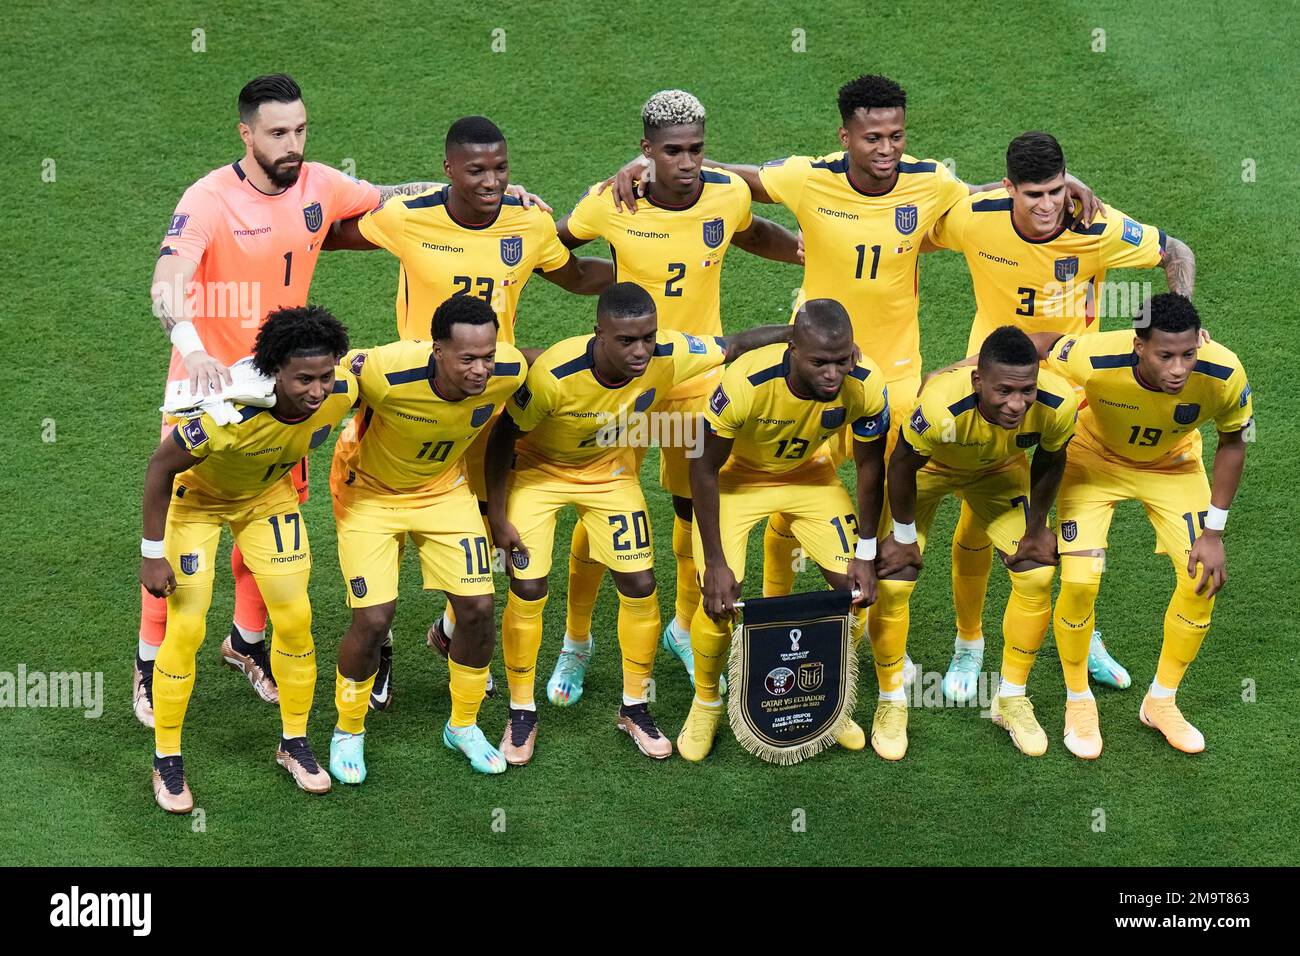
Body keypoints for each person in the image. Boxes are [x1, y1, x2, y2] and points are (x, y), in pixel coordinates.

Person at [925, 130, 1196, 702]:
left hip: (1071, 397)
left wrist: (1188, 311)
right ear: (1008, 190)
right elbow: (920, 223)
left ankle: (1083, 634)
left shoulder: (1096, 226)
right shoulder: (977, 216)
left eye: (1054, 190)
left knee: (1076, 532)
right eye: (1033, 195)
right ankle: (968, 644)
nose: (1048, 206)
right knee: (979, 517)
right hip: (994, 391)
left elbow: (1177, 252)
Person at [547, 89, 801, 699]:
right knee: (597, 508)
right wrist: (603, 282)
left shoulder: (727, 193)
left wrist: (809, 250)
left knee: (693, 514)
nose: (687, 163)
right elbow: (553, 248)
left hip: (697, 380)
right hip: (624, 382)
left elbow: (751, 231)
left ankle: (684, 630)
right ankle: (576, 642)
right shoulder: (610, 204)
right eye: (672, 152)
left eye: (696, 150)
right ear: (646, 152)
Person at [484, 282, 793, 764]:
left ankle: (635, 706)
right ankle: (521, 711)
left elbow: (732, 345)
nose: (640, 350)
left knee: (641, 582)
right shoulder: (553, 376)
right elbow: (503, 436)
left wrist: (798, 334)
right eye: (626, 340)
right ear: (598, 334)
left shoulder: (669, 352)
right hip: (539, 472)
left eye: (647, 337)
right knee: (527, 587)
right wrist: (498, 515)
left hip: (607, 473)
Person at [139, 305, 355, 812]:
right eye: (304, 379)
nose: (318, 391)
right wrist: (152, 556)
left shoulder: (343, 389)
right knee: (187, 626)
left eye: (325, 377)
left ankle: (295, 743)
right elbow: (159, 469)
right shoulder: (226, 413)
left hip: (267, 499)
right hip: (196, 505)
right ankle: (166, 758)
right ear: (274, 371)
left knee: (296, 617)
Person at [1034, 295, 1251, 757]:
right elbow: (1042, 342)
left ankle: (1161, 701)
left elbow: (1233, 441)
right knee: (1079, 581)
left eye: (1188, 354)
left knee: (1201, 579)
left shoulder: (1224, 372)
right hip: (1092, 461)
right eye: (1165, 355)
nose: (1179, 368)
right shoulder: (1096, 357)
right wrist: (962, 369)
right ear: (1138, 346)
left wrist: (1213, 533)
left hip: (1172, 466)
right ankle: (1078, 701)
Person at [329, 295, 527, 779]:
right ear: (436, 351)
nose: (482, 370)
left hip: (443, 492)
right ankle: (348, 730)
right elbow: (323, 375)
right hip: (368, 495)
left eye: (488, 355)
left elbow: (537, 368)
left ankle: (463, 726)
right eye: (467, 359)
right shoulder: (385, 371)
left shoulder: (510, 371)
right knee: (374, 620)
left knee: (478, 608)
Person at [681, 299, 888, 762]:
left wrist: (867, 550)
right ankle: (706, 702)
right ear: (792, 350)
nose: (834, 374)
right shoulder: (745, 383)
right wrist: (715, 563)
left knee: (855, 593)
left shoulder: (867, 383)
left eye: (842, 360)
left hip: (810, 477)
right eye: (820, 362)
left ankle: (825, 702)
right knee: (719, 599)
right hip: (737, 481)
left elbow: (872, 467)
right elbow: (704, 470)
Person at [872, 327, 1077, 759]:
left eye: (1027, 390)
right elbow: (902, 466)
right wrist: (904, 538)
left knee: (1037, 574)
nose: (1017, 404)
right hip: (928, 471)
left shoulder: (1057, 403)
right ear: (977, 381)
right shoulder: (940, 406)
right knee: (893, 580)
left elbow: (1051, 457)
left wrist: (1038, 526)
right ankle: (890, 700)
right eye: (1004, 390)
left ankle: (1011, 698)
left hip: (996, 473)